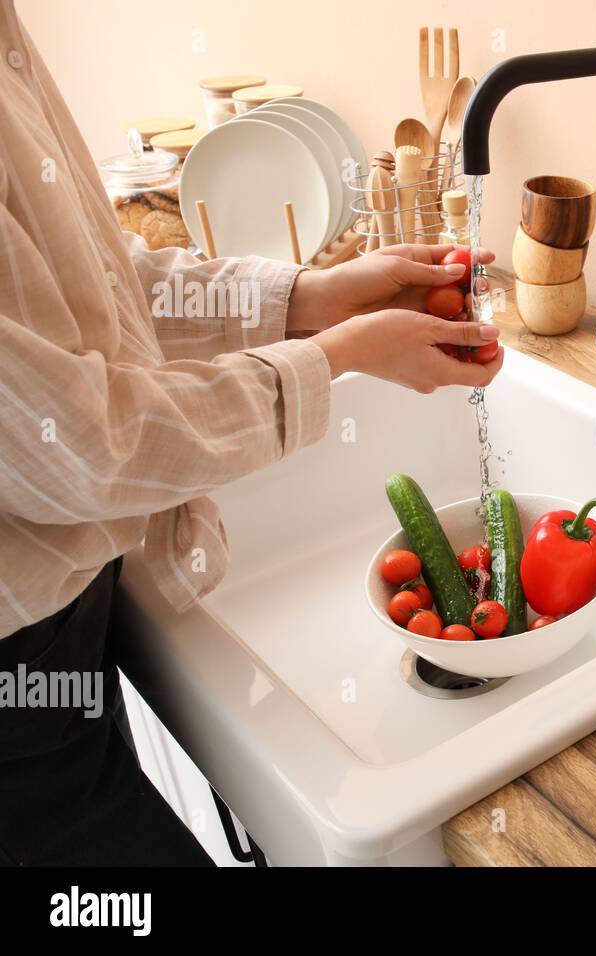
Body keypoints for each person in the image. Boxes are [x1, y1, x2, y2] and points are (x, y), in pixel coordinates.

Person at [0, 1, 502, 865]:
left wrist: (305, 298)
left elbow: (101, 291)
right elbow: (79, 440)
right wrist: (335, 357)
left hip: (57, 635)